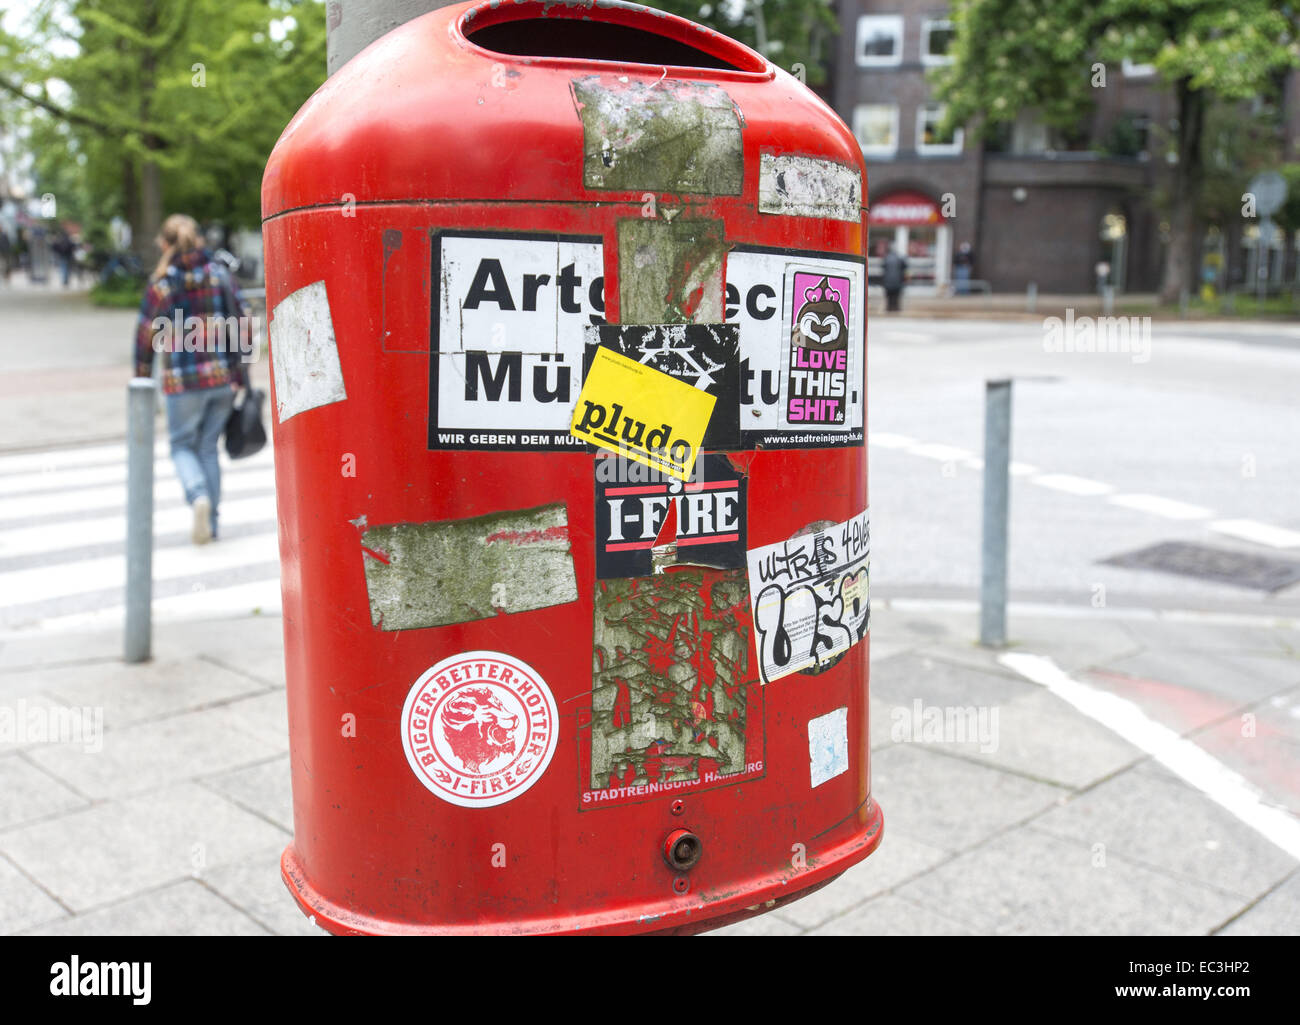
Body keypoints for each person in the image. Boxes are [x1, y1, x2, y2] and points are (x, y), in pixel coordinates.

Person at [134, 213, 247, 544]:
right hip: (222, 378)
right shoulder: (219, 275)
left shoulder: (163, 284)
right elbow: (242, 321)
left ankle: (197, 496)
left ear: (165, 244)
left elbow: (145, 334)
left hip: (182, 383)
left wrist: (141, 378)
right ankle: (211, 524)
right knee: (208, 448)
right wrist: (240, 372)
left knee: (182, 446)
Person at [882, 243, 907, 313]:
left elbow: (883, 267)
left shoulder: (886, 258)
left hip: (888, 280)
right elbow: (905, 266)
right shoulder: (899, 258)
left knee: (889, 296)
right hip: (897, 280)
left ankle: (889, 307)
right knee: (896, 296)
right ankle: (896, 307)